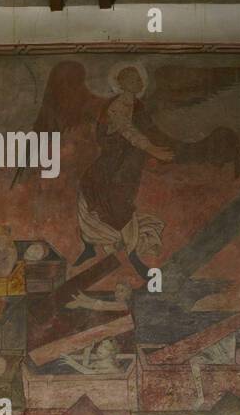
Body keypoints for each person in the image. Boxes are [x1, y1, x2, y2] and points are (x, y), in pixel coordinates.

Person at [73, 65, 170, 277]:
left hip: (127, 165)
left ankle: (133, 256)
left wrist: (162, 146)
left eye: (139, 78)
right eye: (134, 79)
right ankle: (90, 246)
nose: (139, 82)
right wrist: (151, 148)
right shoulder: (117, 106)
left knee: (120, 204)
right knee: (88, 191)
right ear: (123, 83)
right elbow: (127, 130)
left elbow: (149, 129)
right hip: (110, 163)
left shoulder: (139, 106)